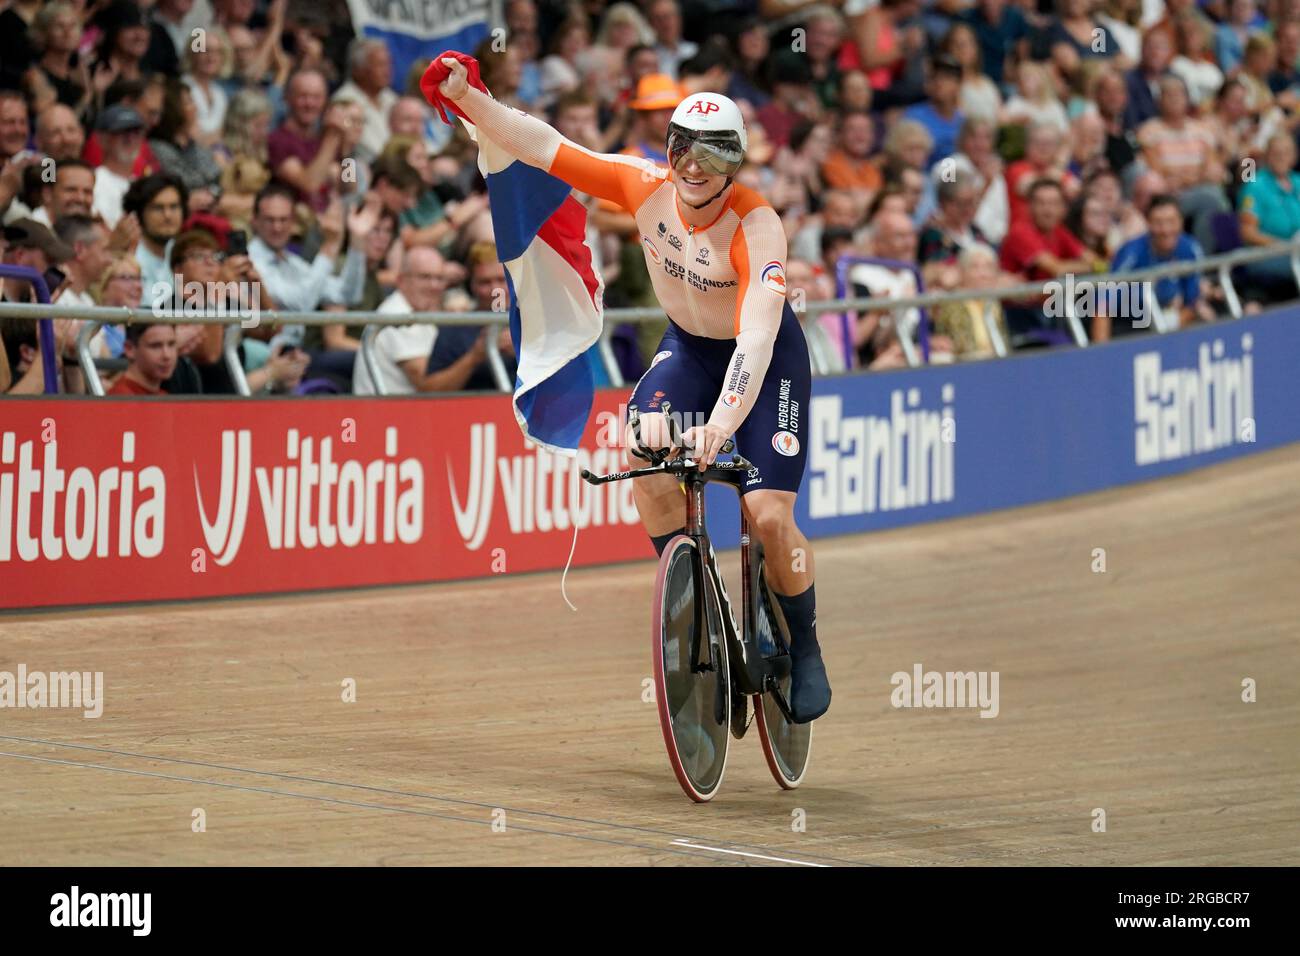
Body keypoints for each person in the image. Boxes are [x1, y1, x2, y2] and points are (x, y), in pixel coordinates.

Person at [434, 55, 831, 722]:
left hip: (763, 363)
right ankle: (691, 593)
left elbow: (756, 341)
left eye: (711, 154)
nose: (693, 165)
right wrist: (471, 100)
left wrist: (720, 428)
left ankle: (809, 643)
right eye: (682, 148)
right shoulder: (642, 183)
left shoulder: (757, 226)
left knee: (767, 515)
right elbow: (546, 146)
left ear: (734, 162)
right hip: (690, 350)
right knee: (643, 445)